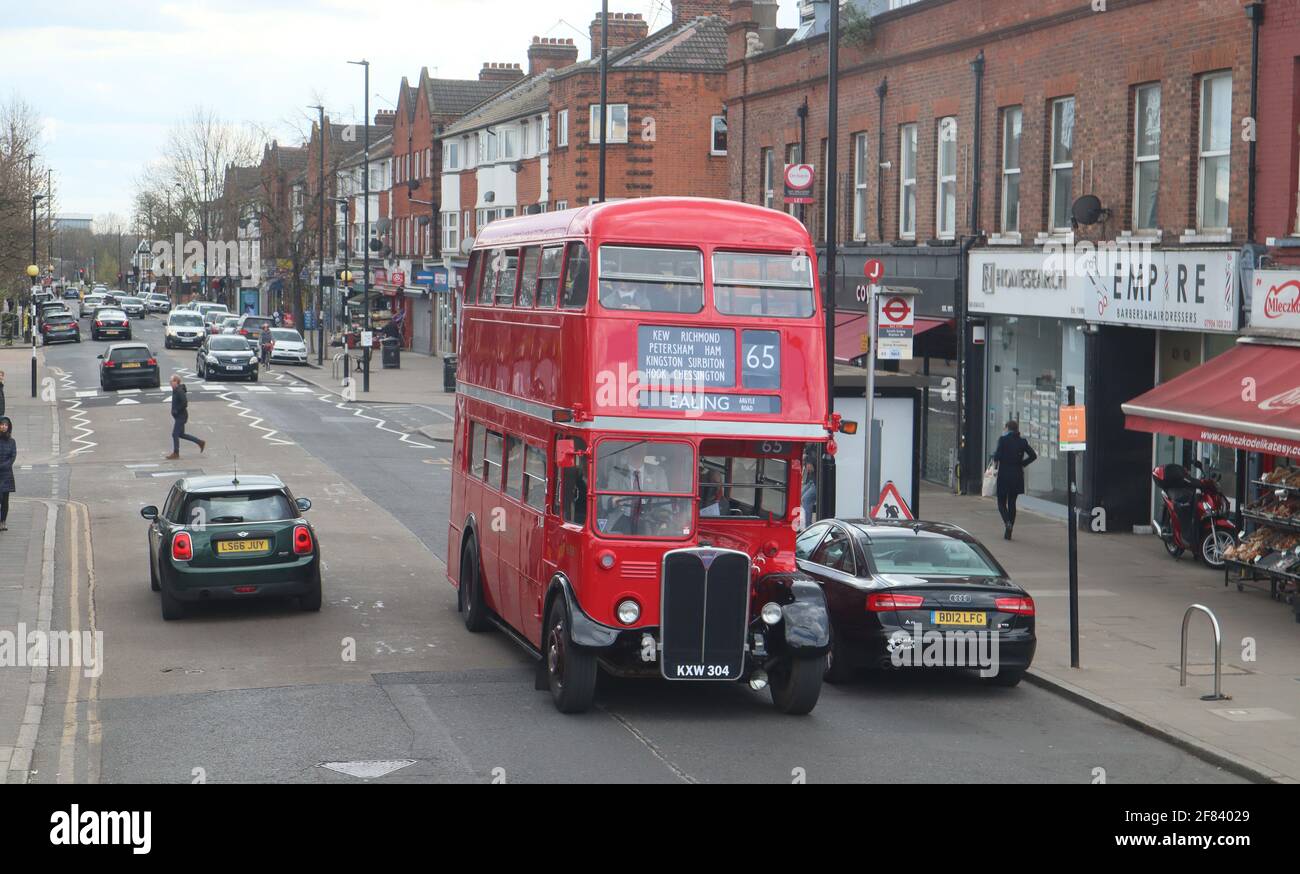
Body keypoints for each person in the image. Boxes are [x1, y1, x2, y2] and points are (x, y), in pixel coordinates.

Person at [992, 419, 1037, 540]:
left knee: (1001, 502)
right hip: (1017, 475)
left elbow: (997, 456)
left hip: (1004, 475)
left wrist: (994, 459)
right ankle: (1009, 532)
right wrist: (1022, 463)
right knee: (1012, 503)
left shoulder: (1003, 440)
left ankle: (1007, 523)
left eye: (1005, 428)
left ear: (1007, 428)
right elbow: (1033, 455)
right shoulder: (1022, 442)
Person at [166, 375, 205, 460]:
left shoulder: (179, 390)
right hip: (179, 416)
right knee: (181, 434)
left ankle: (176, 453)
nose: (170, 383)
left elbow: (185, 403)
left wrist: (177, 410)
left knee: (175, 434)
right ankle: (200, 442)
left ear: (176, 382)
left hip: (181, 416)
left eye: (171, 381)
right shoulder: (176, 390)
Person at [0, 417, 14, 531]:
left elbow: (12, 457)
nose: (4, 426)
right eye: (2, 424)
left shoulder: (12, 441)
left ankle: (3, 521)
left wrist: (4, 465)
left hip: (6, 474)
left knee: (5, 499)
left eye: (6, 425)